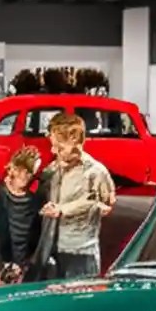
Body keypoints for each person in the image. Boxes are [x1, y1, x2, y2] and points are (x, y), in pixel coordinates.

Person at [33, 112, 116, 279]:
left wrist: (67, 209)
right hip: (51, 250)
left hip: (81, 253)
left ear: (75, 141)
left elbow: (108, 203)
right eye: (53, 145)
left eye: (59, 147)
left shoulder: (95, 172)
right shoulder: (53, 169)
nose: (53, 150)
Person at [0, 145, 46, 285]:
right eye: (23, 171)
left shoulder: (36, 197)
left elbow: (35, 233)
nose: (26, 176)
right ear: (14, 168)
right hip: (0, 259)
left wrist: (22, 263)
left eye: (30, 173)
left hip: (24, 261)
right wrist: (2, 262)